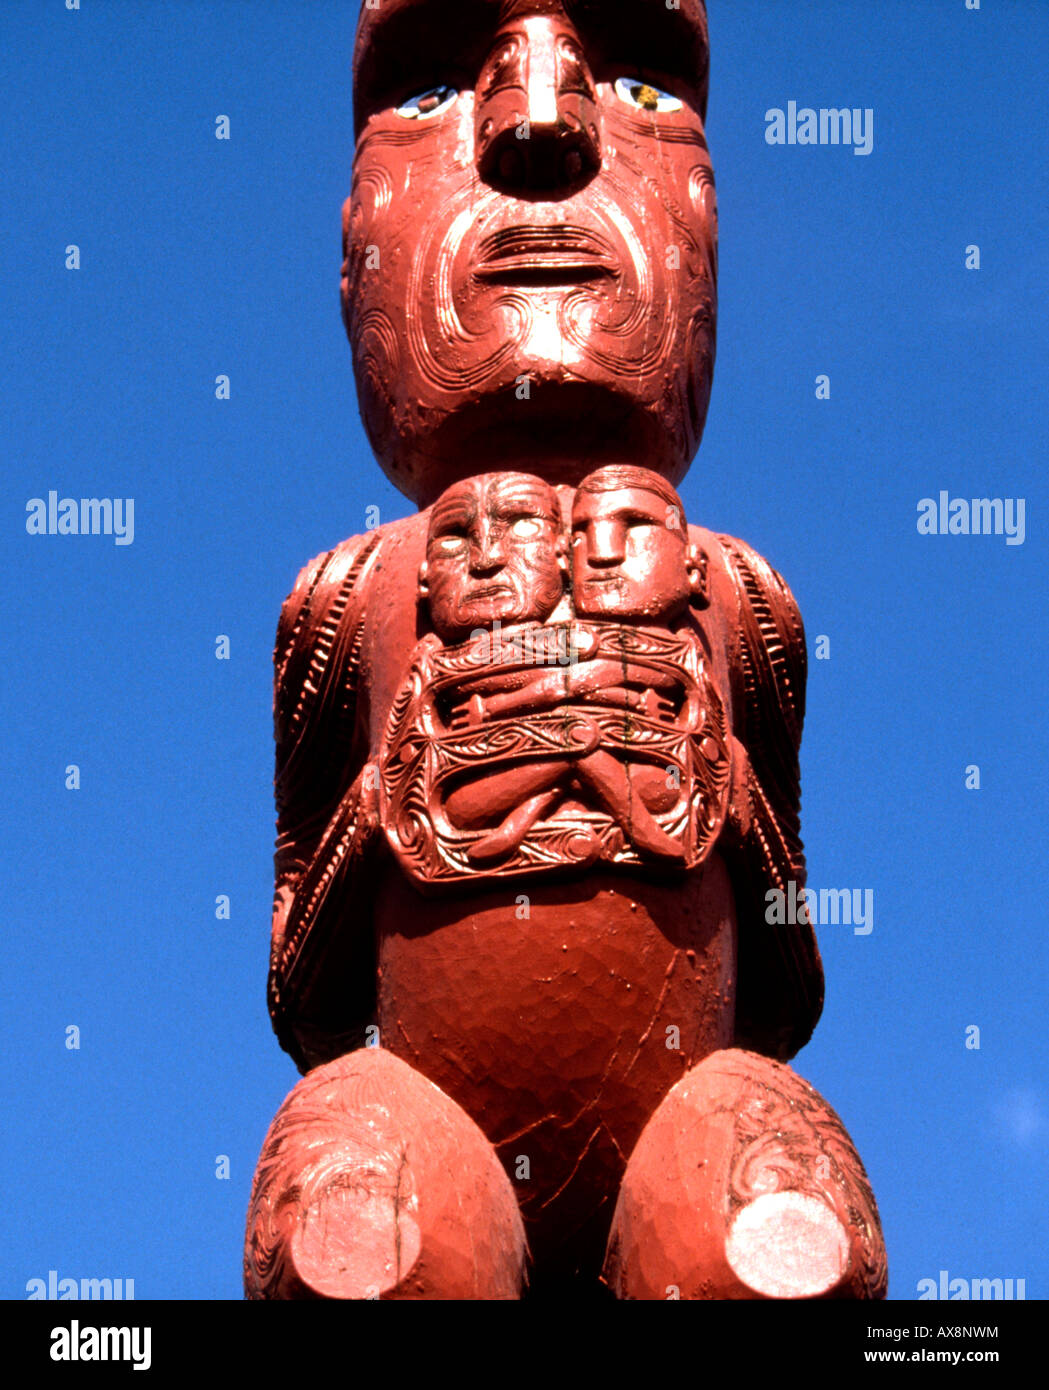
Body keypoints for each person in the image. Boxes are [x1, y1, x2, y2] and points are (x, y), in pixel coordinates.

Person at [246, 0, 886, 1300]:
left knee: (773, 1236)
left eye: (645, 81)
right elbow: (302, 959)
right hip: (416, 1092)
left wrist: (673, 754)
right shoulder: (340, 598)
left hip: (686, 1091)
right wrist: (428, 776)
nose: (538, 122)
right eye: (424, 84)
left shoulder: (743, 599)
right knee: (364, 1242)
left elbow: (779, 947)